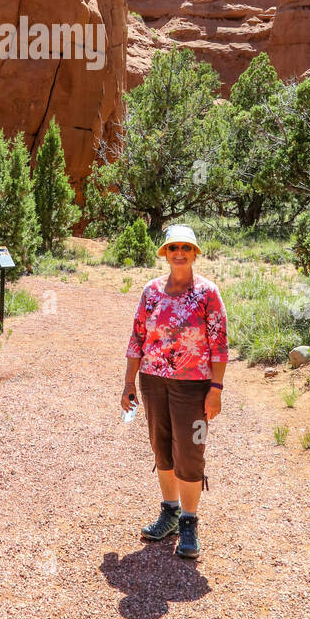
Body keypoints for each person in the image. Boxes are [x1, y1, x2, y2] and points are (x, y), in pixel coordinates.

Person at [121, 223, 228, 558]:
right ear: (165, 253)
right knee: (161, 447)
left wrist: (216, 389)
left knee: (191, 451)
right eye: (172, 248)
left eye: (185, 248)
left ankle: (189, 523)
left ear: (195, 253)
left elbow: (219, 346)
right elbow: (137, 337)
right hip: (153, 382)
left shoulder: (207, 293)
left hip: (194, 386)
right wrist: (128, 383)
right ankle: (170, 513)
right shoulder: (151, 291)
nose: (179, 253)